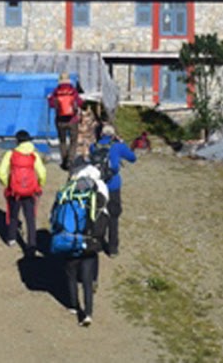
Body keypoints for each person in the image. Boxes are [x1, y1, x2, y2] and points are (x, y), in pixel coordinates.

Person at [50, 164, 108, 326]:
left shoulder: (65, 195)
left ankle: (74, 305)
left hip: (69, 241)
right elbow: (103, 220)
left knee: (71, 276)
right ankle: (88, 312)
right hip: (88, 244)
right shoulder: (96, 197)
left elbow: (54, 218)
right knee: (87, 280)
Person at [0, 129, 47, 256]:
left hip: (15, 190)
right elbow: (42, 172)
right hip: (30, 190)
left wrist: (7, 184)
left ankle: (12, 238)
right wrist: (40, 185)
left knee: (13, 214)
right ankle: (31, 244)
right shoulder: (34, 154)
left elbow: (1, 171)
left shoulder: (11, 154)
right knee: (30, 218)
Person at [91, 124, 137, 257]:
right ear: (113, 135)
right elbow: (133, 158)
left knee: (98, 214)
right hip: (113, 185)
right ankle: (112, 248)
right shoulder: (117, 146)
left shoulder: (94, 146)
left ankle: (97, 243)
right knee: (113, 216)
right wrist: (122, 143)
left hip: (98, 185)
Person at [48, 72, 81, 169]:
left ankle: (64, 160)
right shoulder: (72, 90)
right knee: (73, 141)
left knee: (62, 141)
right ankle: (70, 160)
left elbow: (51, 104)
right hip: (72, 120)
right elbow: (79, 102)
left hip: (60, 120)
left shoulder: (56, 91)